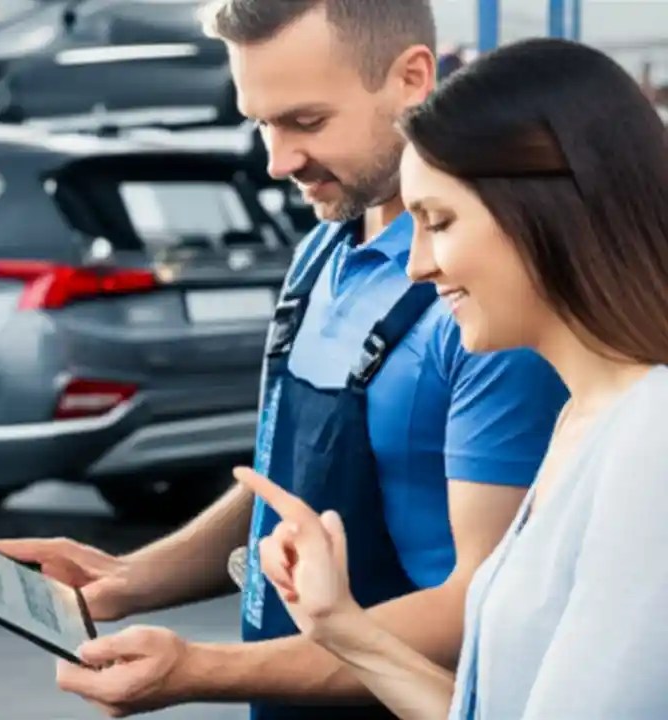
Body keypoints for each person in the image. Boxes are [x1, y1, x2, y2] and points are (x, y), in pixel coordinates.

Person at [0, 1, 570, 718]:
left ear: (413, 78)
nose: (277, 161)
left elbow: (481, 606)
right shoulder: (318, 253)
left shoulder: (480, 301)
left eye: (306, 121)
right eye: (260, 122)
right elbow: (287, 485)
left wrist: (207, 670)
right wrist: (132, 578)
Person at [241, 36, 668, 720]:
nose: (416, 265)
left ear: (546, 215)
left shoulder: (650, 439)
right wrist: (341, 629)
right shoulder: (581, 420)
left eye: (437, 222)